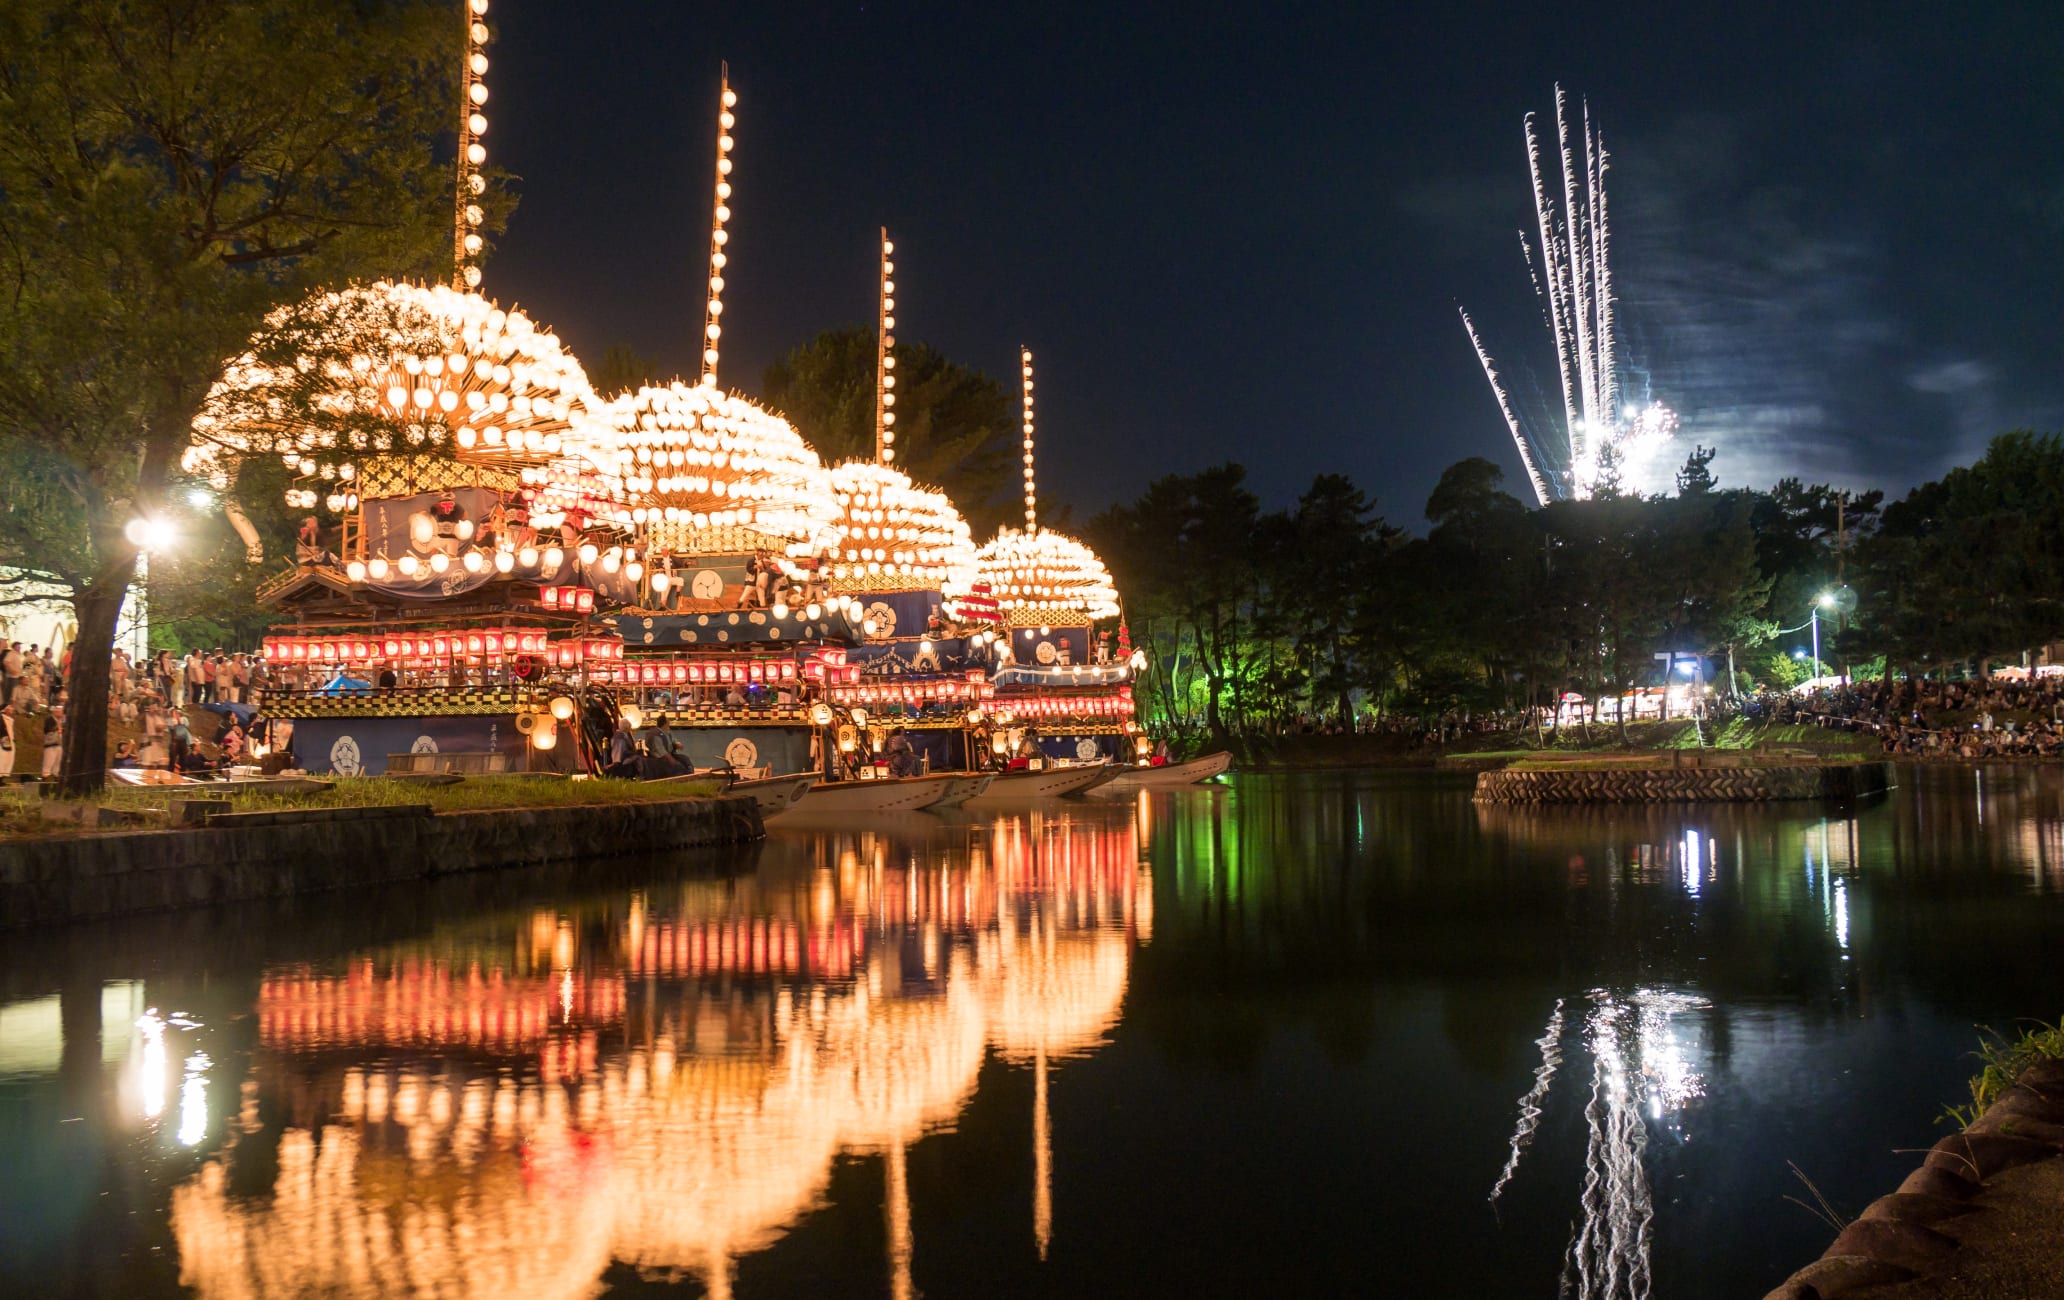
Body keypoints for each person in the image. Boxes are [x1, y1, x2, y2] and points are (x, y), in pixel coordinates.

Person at [41, 704, 63, 779]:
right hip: (51, 743)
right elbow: (47, 730)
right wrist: (57, 726)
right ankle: (45, 776)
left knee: (58, 761)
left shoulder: (61, 721)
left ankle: (56, 775)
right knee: (48, 761)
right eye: (59, 711)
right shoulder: (49, 719)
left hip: (59, 743)